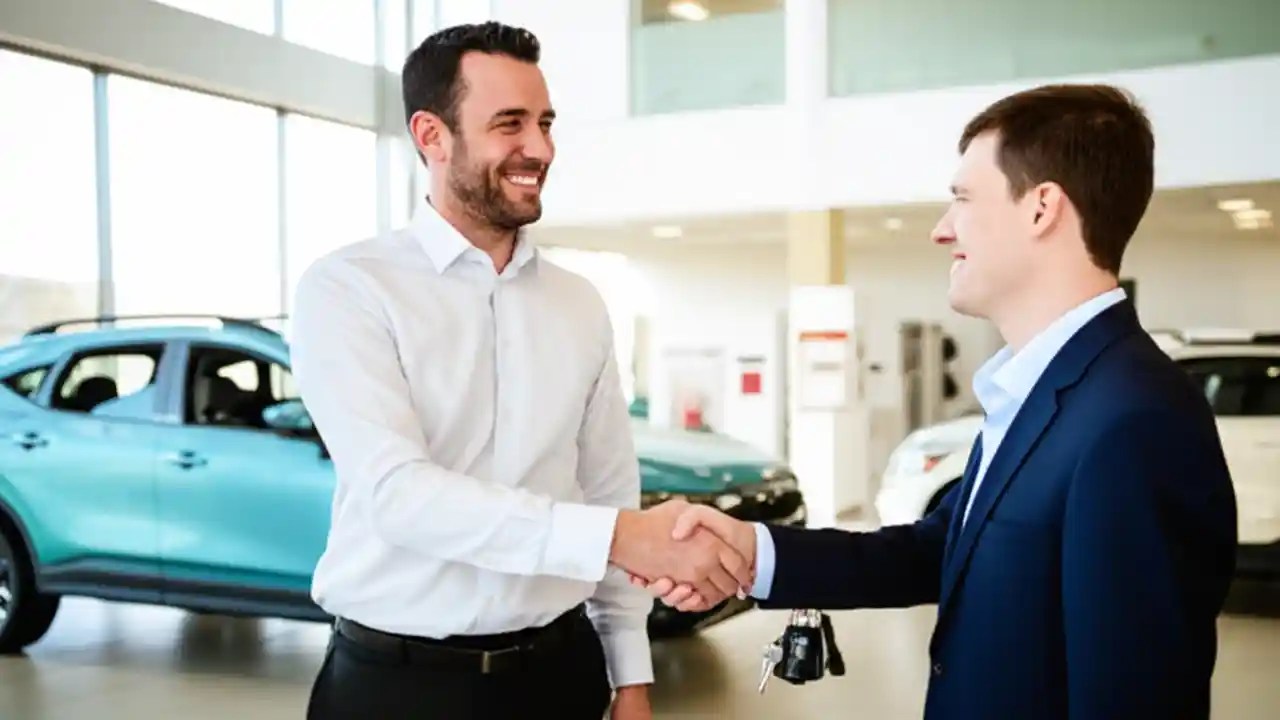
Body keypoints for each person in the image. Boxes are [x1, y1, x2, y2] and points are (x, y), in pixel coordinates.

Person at [636, 84, 1238, 719]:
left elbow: (1135, 698)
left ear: (1042, 209)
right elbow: (940, 547)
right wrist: (753, 552)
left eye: (962, 199)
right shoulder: (1045, 388)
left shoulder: (1133, 419)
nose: (941, 230)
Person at [290, 22, 751, 720]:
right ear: (431, 135)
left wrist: (629, 673)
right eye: (510, 124)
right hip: (398, 687)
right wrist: (623, 536)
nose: (539, 148)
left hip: (560, 676)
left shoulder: (579, 302)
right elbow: (399, 496)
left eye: (544, 123)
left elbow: (608, 486)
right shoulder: (349, 289)